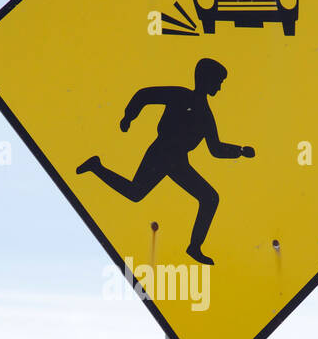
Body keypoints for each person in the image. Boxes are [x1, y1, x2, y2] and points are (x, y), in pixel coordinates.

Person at [76, 58, 254, 266]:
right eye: (218, 81)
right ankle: (96, 167)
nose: (220, 87)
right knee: (136, 193)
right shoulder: (180, 95)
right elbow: (144, 95)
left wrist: (239, 151)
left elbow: (215, 149)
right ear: (206, 80)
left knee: (209, 198)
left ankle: (194, 247)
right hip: (161, 153)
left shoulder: (206, 114)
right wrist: (128, 117)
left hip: (178, 160)